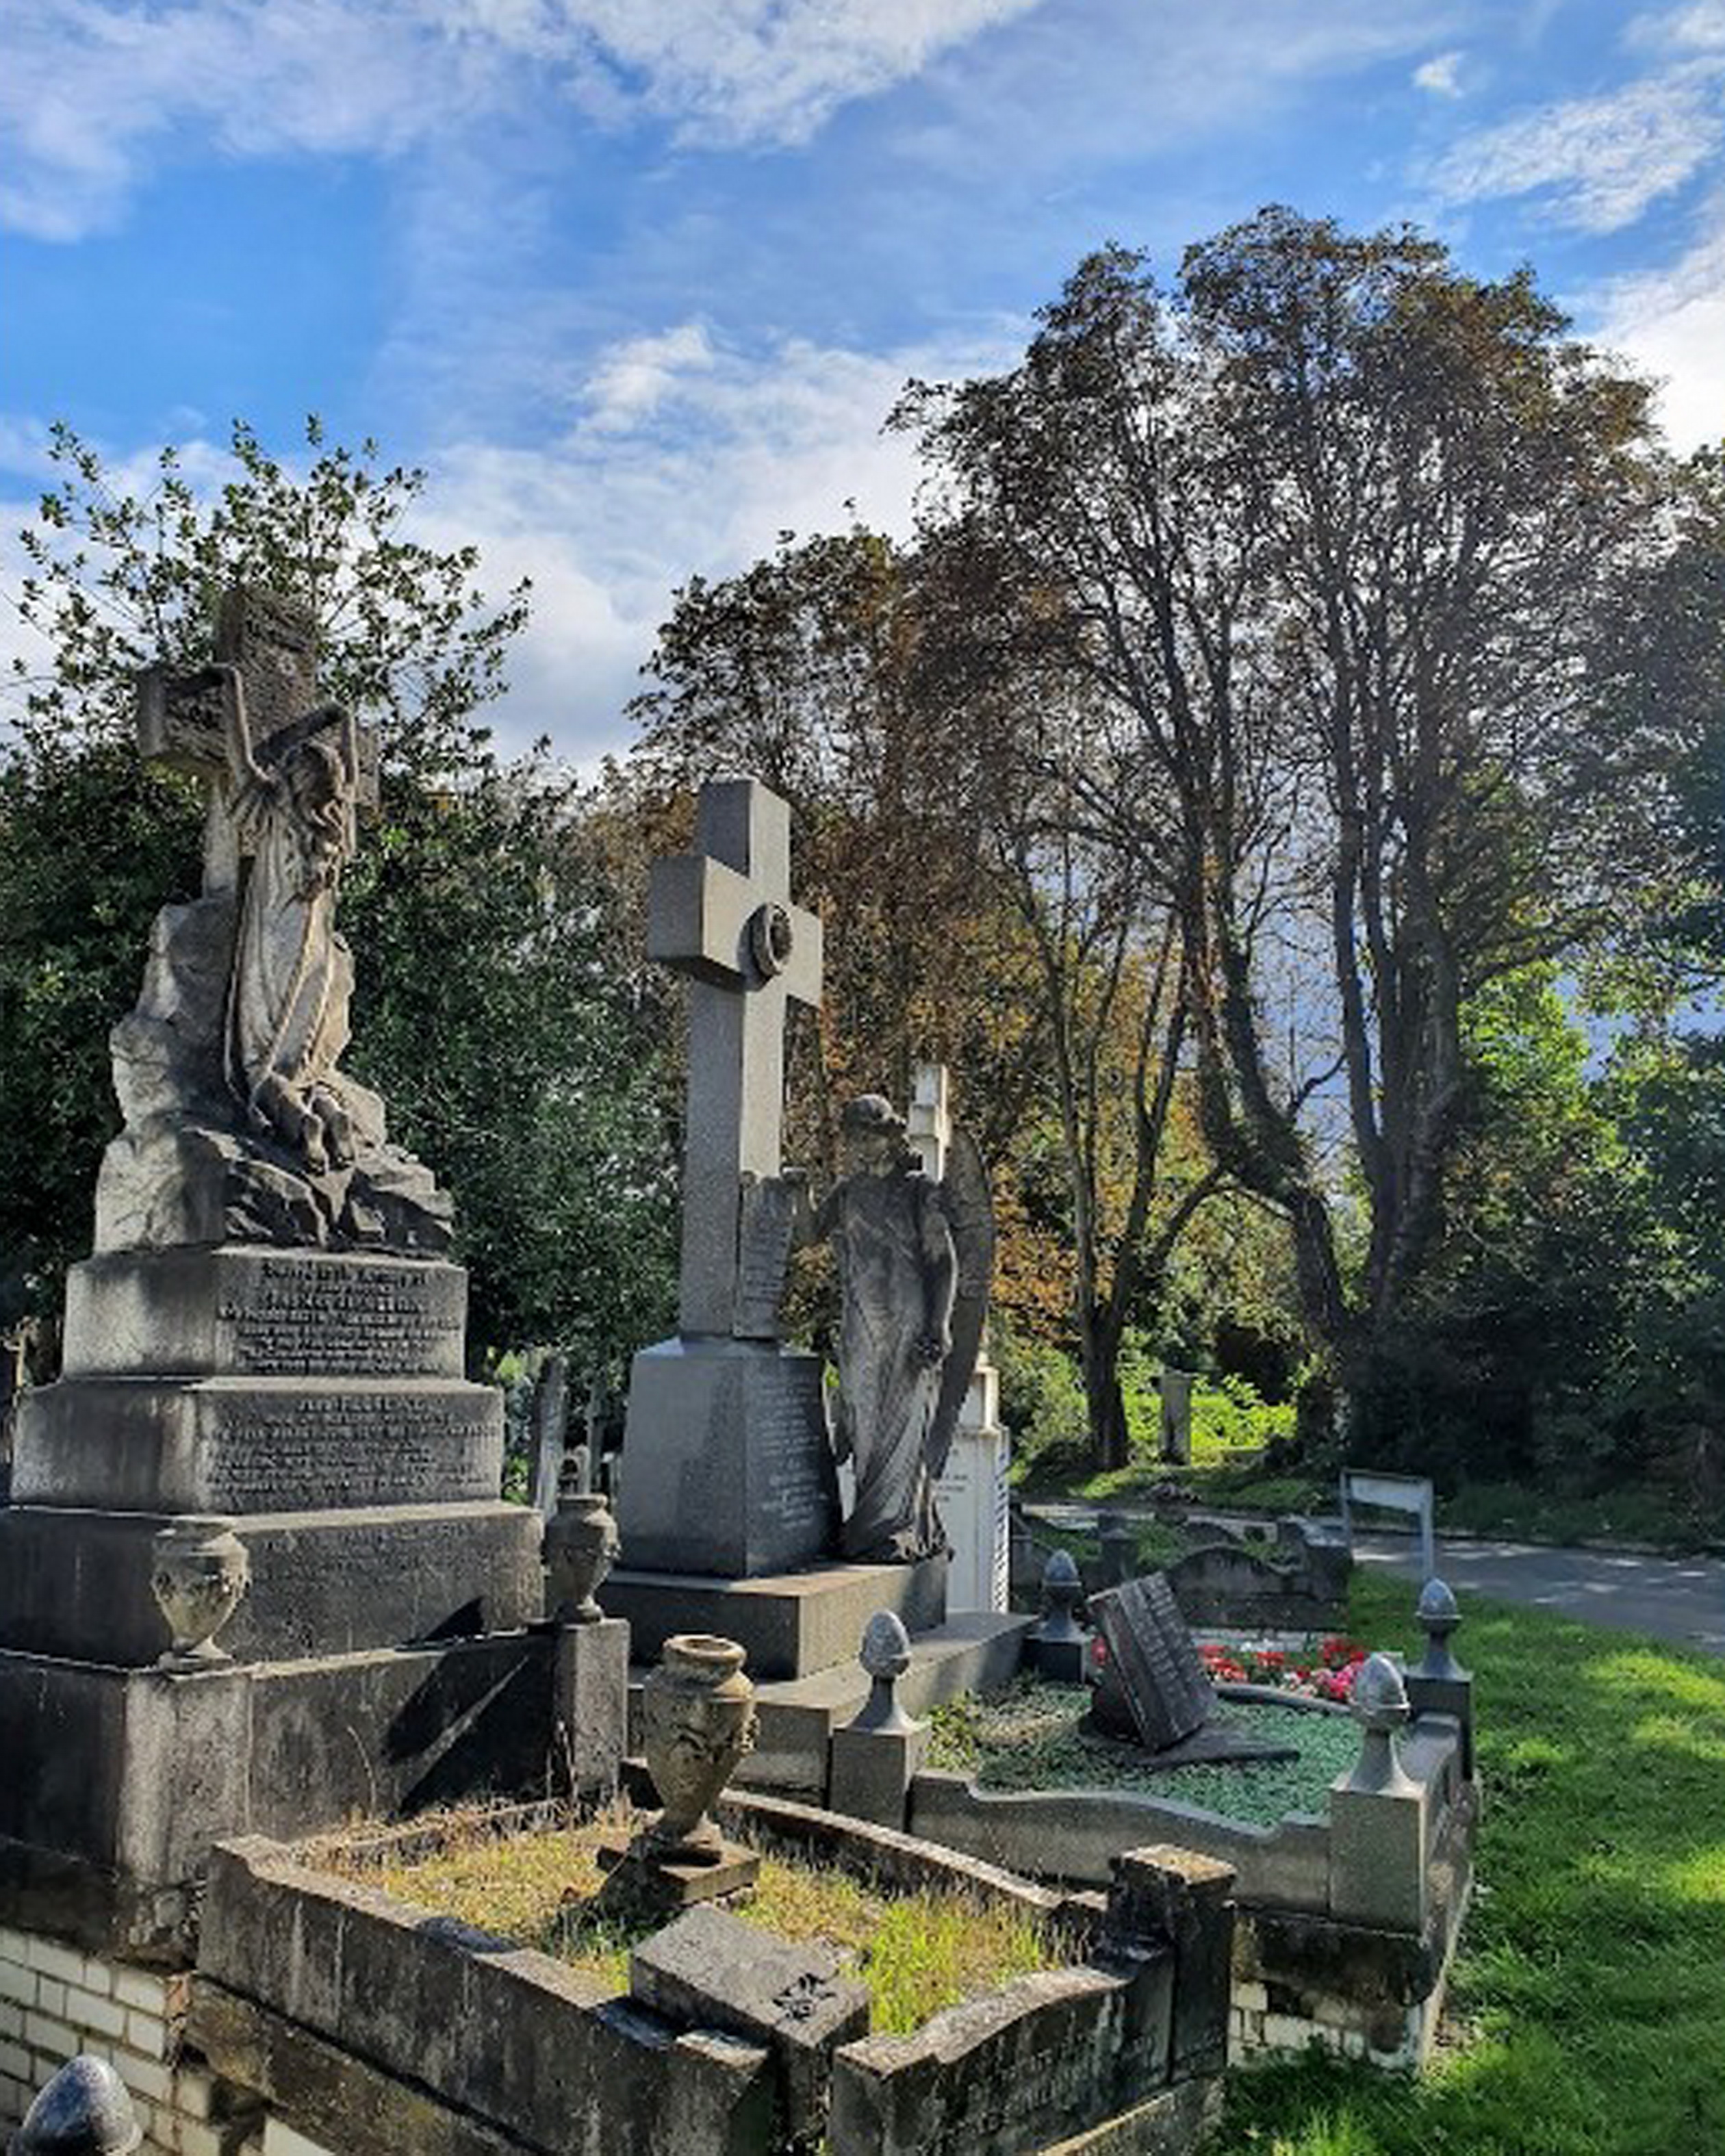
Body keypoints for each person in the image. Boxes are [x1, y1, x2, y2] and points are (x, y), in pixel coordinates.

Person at [216, 663, 359, 1177]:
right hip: (318, 957)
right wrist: (341, 721)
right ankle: (329, 1112)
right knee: (302, 1062)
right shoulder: (338, 822)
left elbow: (242, 757)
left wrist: (231, 682)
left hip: (273, 953)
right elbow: (350, 775)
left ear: (292, 777)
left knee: (260, 1066)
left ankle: (302, 1125)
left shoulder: (275, 807)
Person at [813, 1093, 958, 1562]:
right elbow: (806, 1235)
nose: (857, 1144)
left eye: (866, 1135)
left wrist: (939, 1324)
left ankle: (894, 1529)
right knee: (864, 1423)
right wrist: (792, 1193)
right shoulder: (847, 1192)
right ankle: (870, 1521)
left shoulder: (918, 1190)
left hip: (907, 1323)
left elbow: (944, 1263)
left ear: (888, 1136)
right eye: (852, 1135)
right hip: (860, 1321)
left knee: (900, 1427)